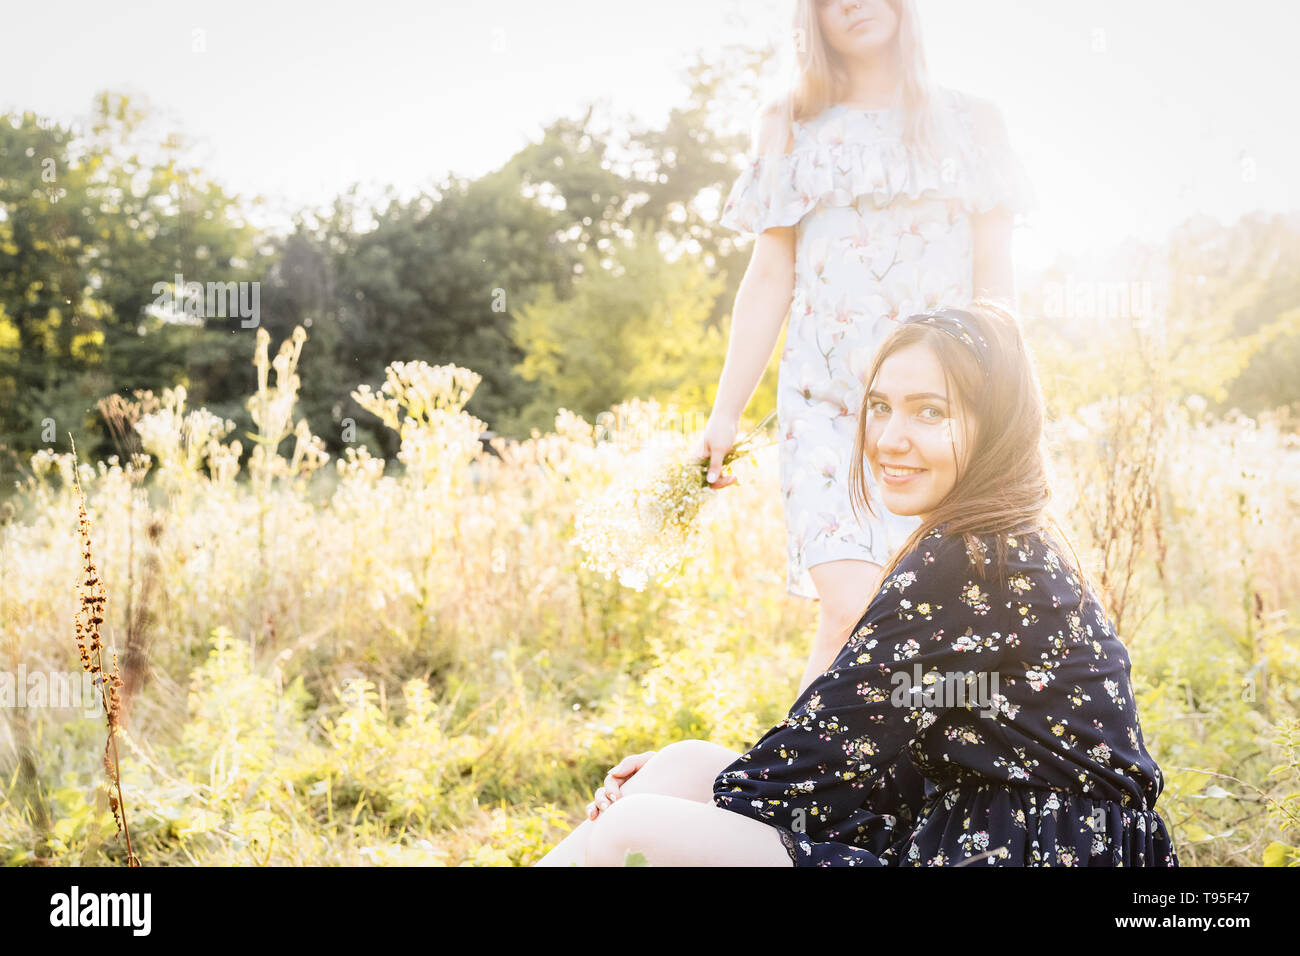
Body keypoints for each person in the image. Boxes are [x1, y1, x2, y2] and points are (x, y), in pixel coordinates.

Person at [536, 301, 1179, 866]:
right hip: (982, 832)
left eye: (931, 412)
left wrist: (682, 807)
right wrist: (689, 787)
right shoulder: (997, 540)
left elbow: (820, 764)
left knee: (631, 833)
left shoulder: (970, 559)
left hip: (1026, 851)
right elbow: (858, 743)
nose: (890, 439)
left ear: (998, 425)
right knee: (677, 770)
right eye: (880, 407)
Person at [690, 0, 1034, 698]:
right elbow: (768, 277)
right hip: (826, 409)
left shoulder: (973, 122)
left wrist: (1007, 400)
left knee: (922, 620)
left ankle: (832, 790)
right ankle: (789, 795)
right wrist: (724, 415)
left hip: (945, 410)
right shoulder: (789, 121)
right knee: (850, 606)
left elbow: (997, 277)